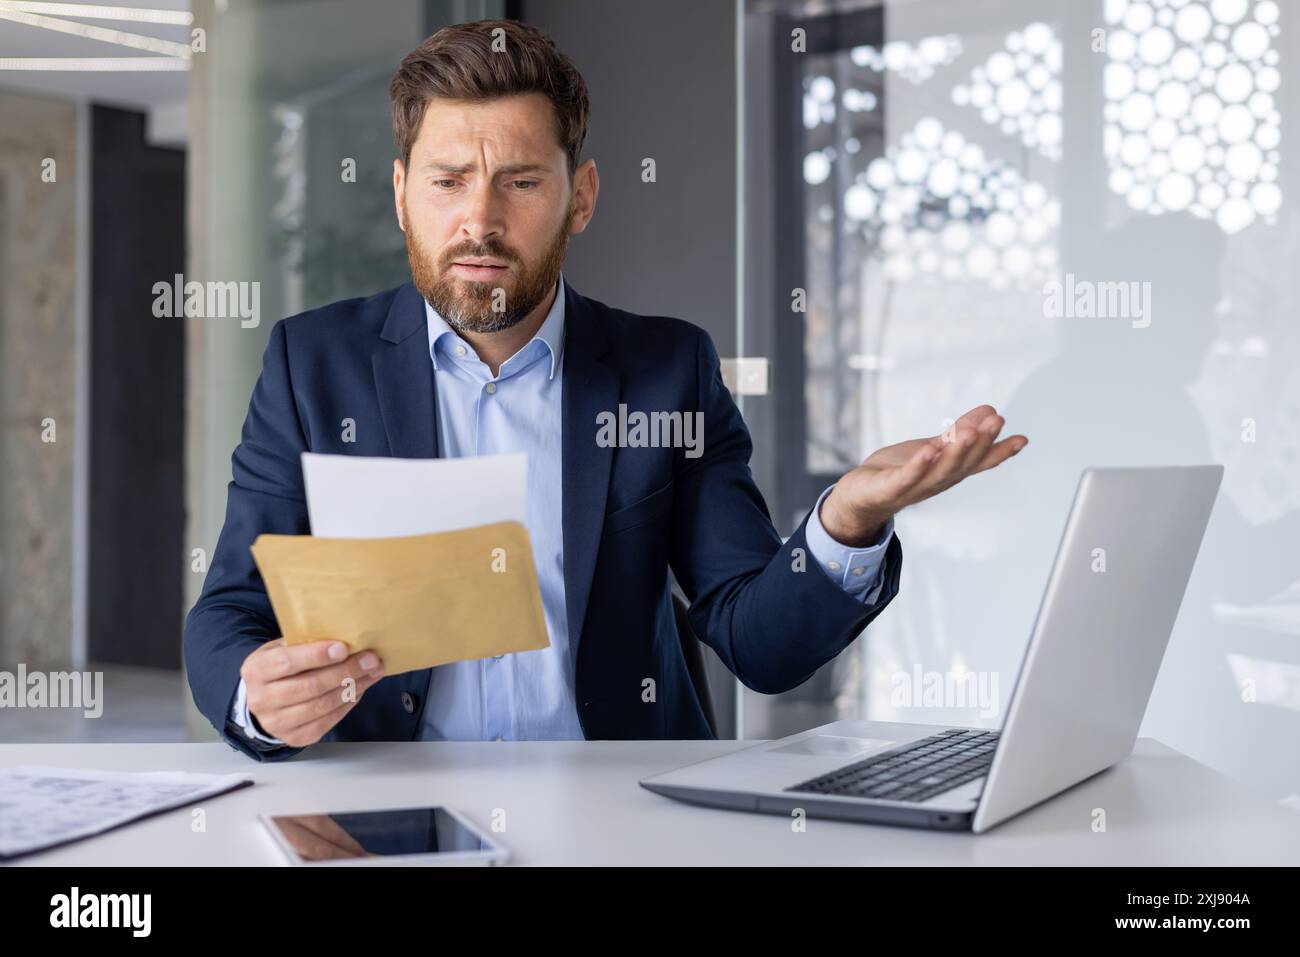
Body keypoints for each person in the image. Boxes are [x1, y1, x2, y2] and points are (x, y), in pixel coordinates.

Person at [183, 19, 1026, 760]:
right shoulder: (311, 363)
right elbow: (228, 613)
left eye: (520, 181)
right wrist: (256, 697)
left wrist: (848, 520)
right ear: (403, 195)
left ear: (579, 197)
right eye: (447, 182)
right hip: (389, 810)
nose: (479, 220)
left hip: (619, 811)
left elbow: (758, 642)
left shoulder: (668, 372)